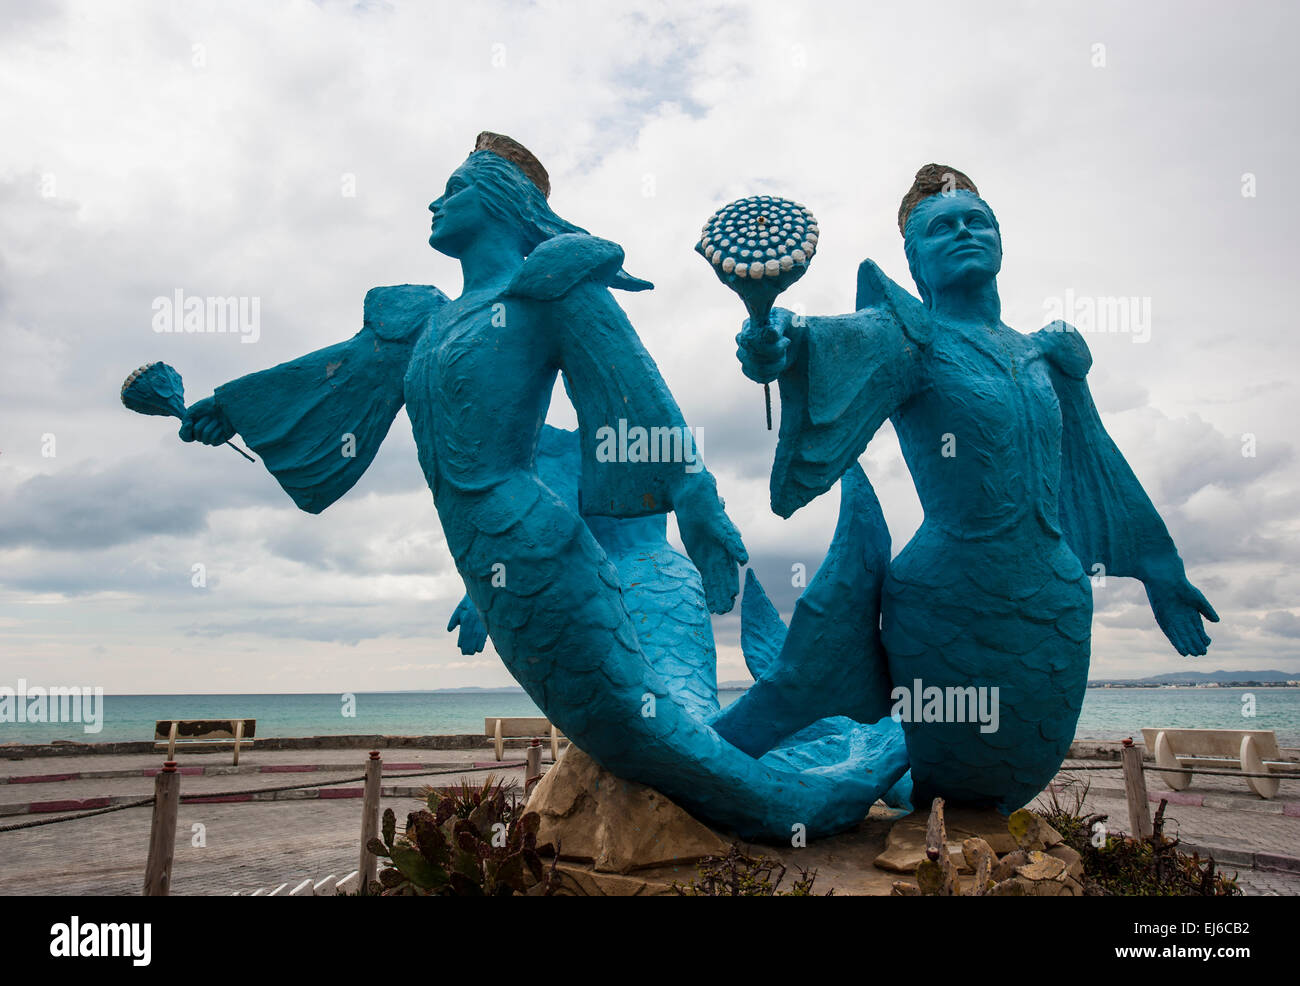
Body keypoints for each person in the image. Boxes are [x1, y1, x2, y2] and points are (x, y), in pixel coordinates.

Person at [176, 133, 907, 838]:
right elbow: (330, 379)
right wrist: (234, 410)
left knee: (645, 735)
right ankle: (828, 746)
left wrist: (697, 500)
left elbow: (635, 391)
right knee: (643, 734)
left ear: (499, 203)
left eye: (454, 190)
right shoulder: (422, 322)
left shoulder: (550, 287)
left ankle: (850, 763)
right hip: (488, 558)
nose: (434, 203)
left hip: (532, 540)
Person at [734, 163, 1218, 811]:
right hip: (947, 604)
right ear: (914, 263)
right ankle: (763, 735)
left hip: (1055, 604)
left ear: (1000, 240)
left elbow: (1093, 456)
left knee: (1006, 778)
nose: (964, 232)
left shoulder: (1046, 354)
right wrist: (777, 343)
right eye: (941, 228)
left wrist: (1160, 568)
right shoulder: (908, 338)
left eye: (977, 221)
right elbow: (815, 343)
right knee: (951, 783)